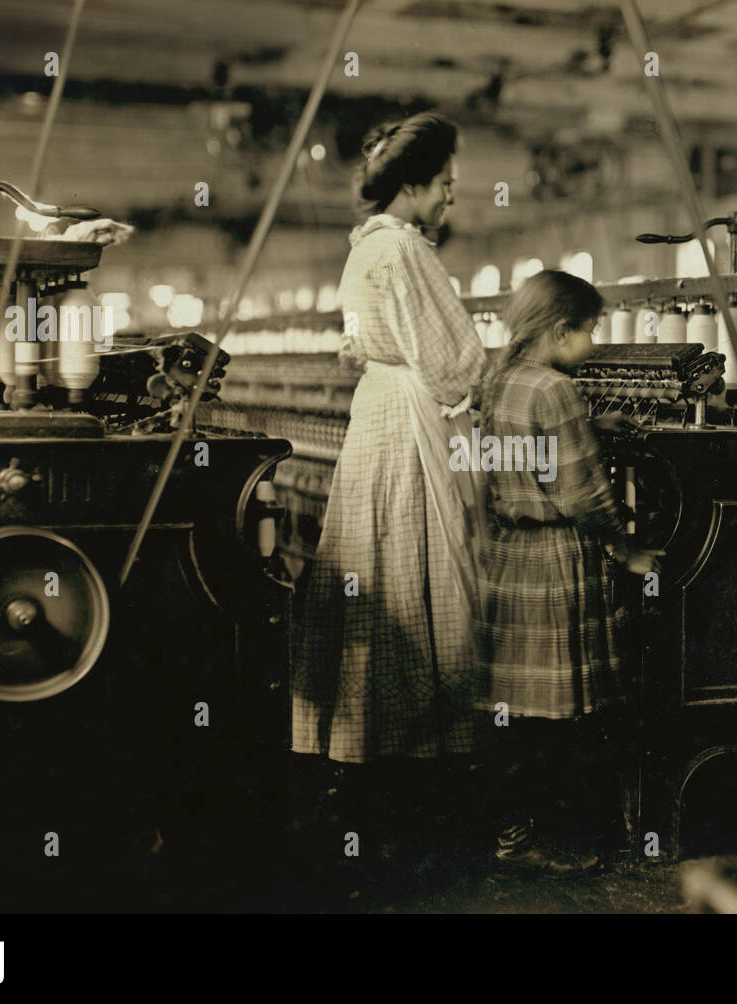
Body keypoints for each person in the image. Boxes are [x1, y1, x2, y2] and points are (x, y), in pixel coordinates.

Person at [292, 112, 487, 791]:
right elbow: (452, 355)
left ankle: (363, 737)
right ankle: (426, 747)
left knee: (374, 559)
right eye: (444, 184)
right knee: (424, 564)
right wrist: (477, 394)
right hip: (410, 415)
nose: (451, 197)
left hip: (375, 411)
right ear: (412, 184)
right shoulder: (405, 250)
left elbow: (362, 341)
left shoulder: (363, 249)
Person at [475, 269, 662, 877]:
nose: (595, 342)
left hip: (509, 560)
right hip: (557, 562)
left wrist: (590, 428)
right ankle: (568, 838)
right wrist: (626, 550)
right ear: (560, 331)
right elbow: (584, 496)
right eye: (591, 330)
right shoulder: (556, 390)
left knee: (518, 709)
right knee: (569, 712)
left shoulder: (499, 380)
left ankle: (513, 836)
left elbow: (524, 453)